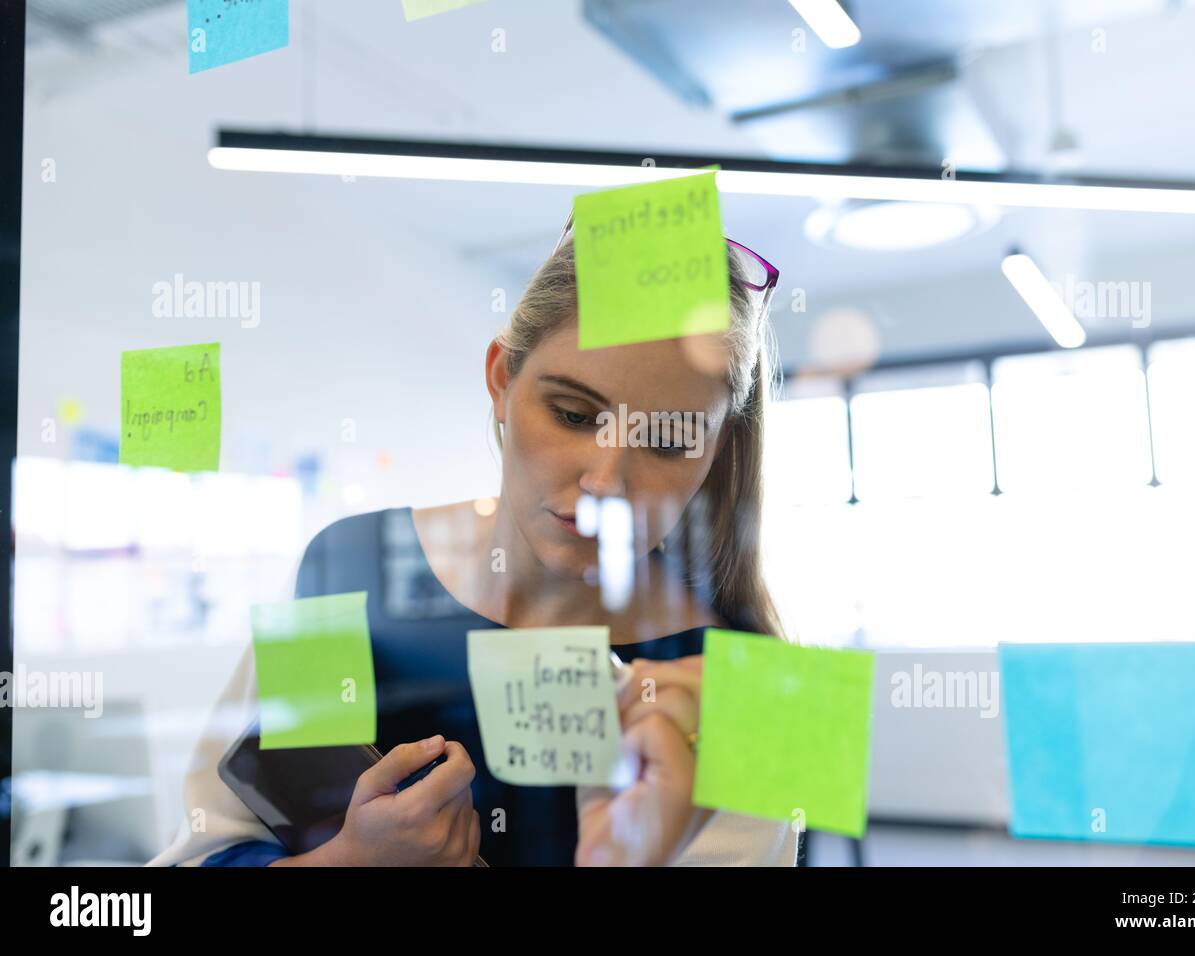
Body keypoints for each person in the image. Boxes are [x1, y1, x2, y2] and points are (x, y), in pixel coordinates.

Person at [151, 215, 794, 866]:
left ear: (717, 448)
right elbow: (212, 849)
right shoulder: (346, 569)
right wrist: (349, 860)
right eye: (573, 415)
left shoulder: (755, 680)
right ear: (501, 381)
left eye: (668, 440)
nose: (605, 481)